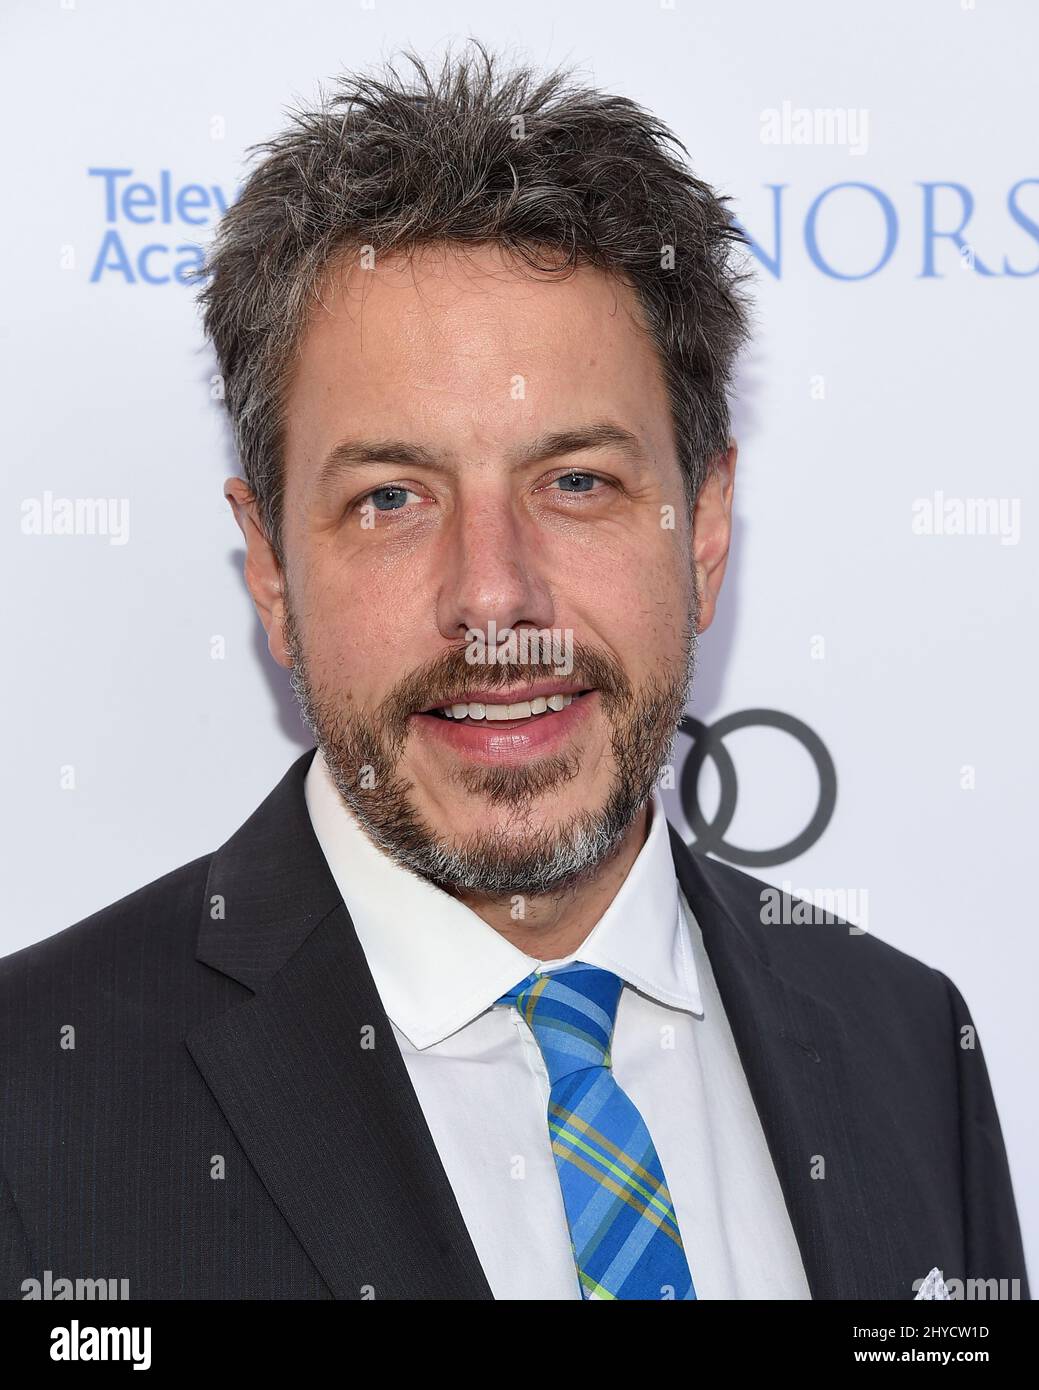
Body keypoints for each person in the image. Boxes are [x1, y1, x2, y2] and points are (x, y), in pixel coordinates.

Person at [0, 42, 1028, 1301]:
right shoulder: (33, 1108)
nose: (493, 597)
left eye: (577, 482)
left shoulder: (906, 1043)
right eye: (391, 497)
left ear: (702, 534)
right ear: (269, 570)